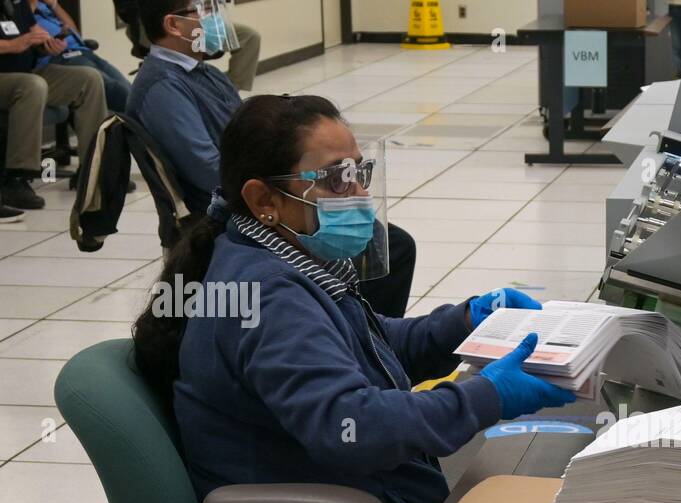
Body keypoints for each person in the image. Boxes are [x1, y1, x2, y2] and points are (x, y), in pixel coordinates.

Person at [131, 93, 575, 503]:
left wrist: (460, 323)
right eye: (337, 179)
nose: (360, 194)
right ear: (264, 199)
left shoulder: (274, 258)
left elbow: (365, 343)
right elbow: (354, 427)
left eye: (361, 172)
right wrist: (487, 396)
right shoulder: (267, 294)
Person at [126, 0, 415, 316]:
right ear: (173, 25)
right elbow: (210, 170)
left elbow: (246, 138)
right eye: (205, 11)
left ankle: (363, 331)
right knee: (387, 245)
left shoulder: (203, 72)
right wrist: (284, 188)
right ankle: (355, 331)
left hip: (259, 190)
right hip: (232, 208)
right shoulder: (162, 87)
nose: (216, 20)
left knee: (383, 239)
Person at [0, 0, 107, 210]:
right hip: (9, 79)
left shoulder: (17, 4)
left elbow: (32, 35)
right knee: (33, 85)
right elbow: (17, 42)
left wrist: (46, 46)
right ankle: (16, 178)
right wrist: (14, 45)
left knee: (89, 78)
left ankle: (91, 172)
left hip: (26, 73)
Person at [113, 0, 260, 91]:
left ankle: (227, 91)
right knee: (185, 46)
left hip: (197, 13)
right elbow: (127, 10)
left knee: (249, 37)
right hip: (156, 22)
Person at [30, 0, 132, 112]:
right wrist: (32, 4)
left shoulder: (44, 5)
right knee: (111, 87)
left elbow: (75, 32)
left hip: (83, 51)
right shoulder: (21, 9)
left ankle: (143, 121)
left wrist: (54, 5)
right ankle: (144, 122)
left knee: (127, 86)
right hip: (61, 58)